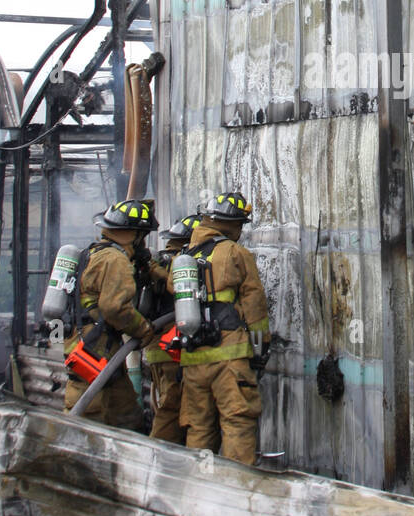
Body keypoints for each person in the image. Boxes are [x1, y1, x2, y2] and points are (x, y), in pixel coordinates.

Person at [173, 191, 270, 465]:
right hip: (230, 355)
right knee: (237, 421)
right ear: (231, 225)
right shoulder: (236, 253)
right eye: (240, 224)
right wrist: (261, 348)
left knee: (199, 427)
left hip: (193, 359)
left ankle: (198, 489)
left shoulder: (184, 258)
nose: (241, 231)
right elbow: (255, 306)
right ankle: (235, 491)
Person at [63, 199, 159, 430]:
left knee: (125, 412)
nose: (143, 243)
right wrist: (143, 329)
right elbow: (115, 308)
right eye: (143, 236)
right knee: (86, 420)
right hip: (95, 350)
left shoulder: (93, 253)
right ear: (133, 234)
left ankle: (132, 458)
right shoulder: (115, 259)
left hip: (95, 347)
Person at [145, 213, 201, 443]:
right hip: (171, 350)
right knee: (171, 406)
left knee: (163, 403)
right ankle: (158, 457)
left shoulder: (158, 260)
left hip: (156, 349)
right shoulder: (180, 264)